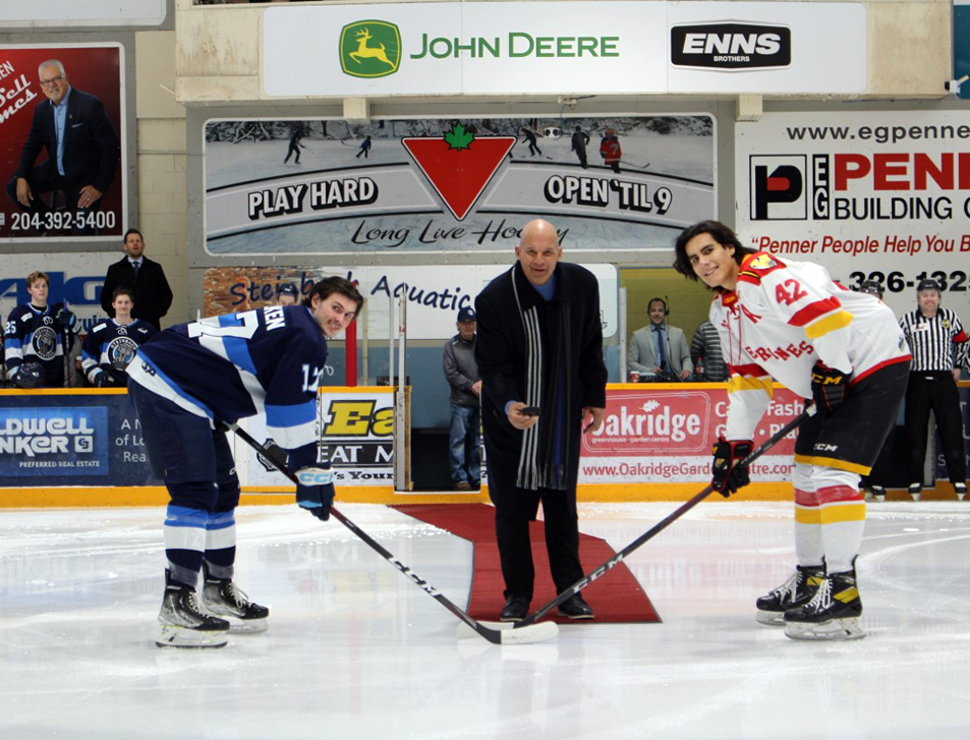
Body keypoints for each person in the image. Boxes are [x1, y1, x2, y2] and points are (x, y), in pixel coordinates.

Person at [673, 220, 911, 641]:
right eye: (695, 259)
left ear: (729, 248)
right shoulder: (723, 312)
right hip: (831, 375)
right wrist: (734, 446)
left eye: (708, 251)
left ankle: (842, 592)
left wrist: (832, 367)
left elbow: (824, 315)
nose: (703, 263)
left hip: (871, 358)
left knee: (834, 474)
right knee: (804, 474)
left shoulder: (763, 273)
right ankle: (811, 578)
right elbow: (748, 384)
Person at [127, 276, 364, 648]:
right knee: (196, 490)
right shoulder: (307, 337)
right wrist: (310, 471)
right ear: (315, 300)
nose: (340, 320)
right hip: (168, 382)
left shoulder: (295, 323)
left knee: (223, 491)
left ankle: (217, 589)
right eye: (336, 308)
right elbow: (289, 411)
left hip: (190, 388)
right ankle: (176, 601)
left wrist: (219, 401)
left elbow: (254, 371)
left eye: (349, 316)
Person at [475, 218, 607, 622]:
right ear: (518, 253)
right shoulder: (495, 298)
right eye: (531, 251)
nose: (539, 260)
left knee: (562, 508)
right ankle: (518, 594)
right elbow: (492, 366)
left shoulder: (582, 285)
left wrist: (594, 396)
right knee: (512, 512)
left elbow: (590, 345)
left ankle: (570, 593)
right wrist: (509, 403)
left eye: (547, 252)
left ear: (559, 253)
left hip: (561, 418)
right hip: (509, 422)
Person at [5, 59, 119, 236]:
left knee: (83, 233)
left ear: (66, 78)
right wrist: (21, 176)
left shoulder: (89, 105)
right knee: (13, 187)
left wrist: (99, 187)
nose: (52, 85)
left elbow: (110, 147)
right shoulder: (42, 110)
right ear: (41, 86)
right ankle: (54, 225)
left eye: (56, 79)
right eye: (46, 82)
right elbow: (31, 146)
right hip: (56, 173)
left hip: (85, 180)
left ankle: (69, 233)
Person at [898, 279, 968, 501]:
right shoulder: (907, 321)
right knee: (915, 431)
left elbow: (963, 342)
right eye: (925, 295)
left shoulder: (951, 318)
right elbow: (898, 347)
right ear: (918, 298)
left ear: (939, 298)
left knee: (952, 429)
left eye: (933, 295)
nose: (929, 299)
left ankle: (957, 480)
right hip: (917, 380)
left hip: (944, 380)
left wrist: (958, 366)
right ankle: (914, 481)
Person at [4, 270, 77, 388]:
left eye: (44, 286)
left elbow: (66, 347)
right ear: (29, 290)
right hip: (28, 382)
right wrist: (15, 373)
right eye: (37, 286)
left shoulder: (57, 314)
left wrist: (71, 326)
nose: (41, 289)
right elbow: (12, 346)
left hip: (54, 381)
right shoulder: (18, 314)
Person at [81, 287, 157, 387]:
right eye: (120, 302)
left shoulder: (147, 331)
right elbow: (88, 359)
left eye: (126, 302)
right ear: (113, 304)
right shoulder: (99, 331)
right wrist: (97, 376)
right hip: (108, 389)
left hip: (136, 389)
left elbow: (155, 360)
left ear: (132, 304)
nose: (123, 306)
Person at [101, 228, 174, 331]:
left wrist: (156, 312)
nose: (135, 244)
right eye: (131, 241)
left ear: (143, 245)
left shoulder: (155, 268)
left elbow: (166, 295)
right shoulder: (115, 270)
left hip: (149, 324)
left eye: (138, 241)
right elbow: (105, 297)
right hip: (122, 325)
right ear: (125, 246)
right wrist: (117, 314)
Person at [443, 306, 482, 491]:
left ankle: (476, 476)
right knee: (457, 441)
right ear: (457, 325)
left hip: (481, 403)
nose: (468, 326)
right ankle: (460, 478)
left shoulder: (483, 344)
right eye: (464, 323)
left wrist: (483, 383)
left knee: (477, 442)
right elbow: (451, 373)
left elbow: (492, 366)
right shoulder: (451, 346)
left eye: (471, 322)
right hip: (460, 403)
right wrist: (471, 386)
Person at [627, 298, 692, 380]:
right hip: (649, 382)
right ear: (648, 313)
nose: (657, 314)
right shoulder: (638, 335)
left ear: (665, 313)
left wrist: (687, 369)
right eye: (653, 311)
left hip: (675, 381)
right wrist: (649, 370)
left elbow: (686, 357)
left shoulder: (678, 333)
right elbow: (631, 363)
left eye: (660, 311)